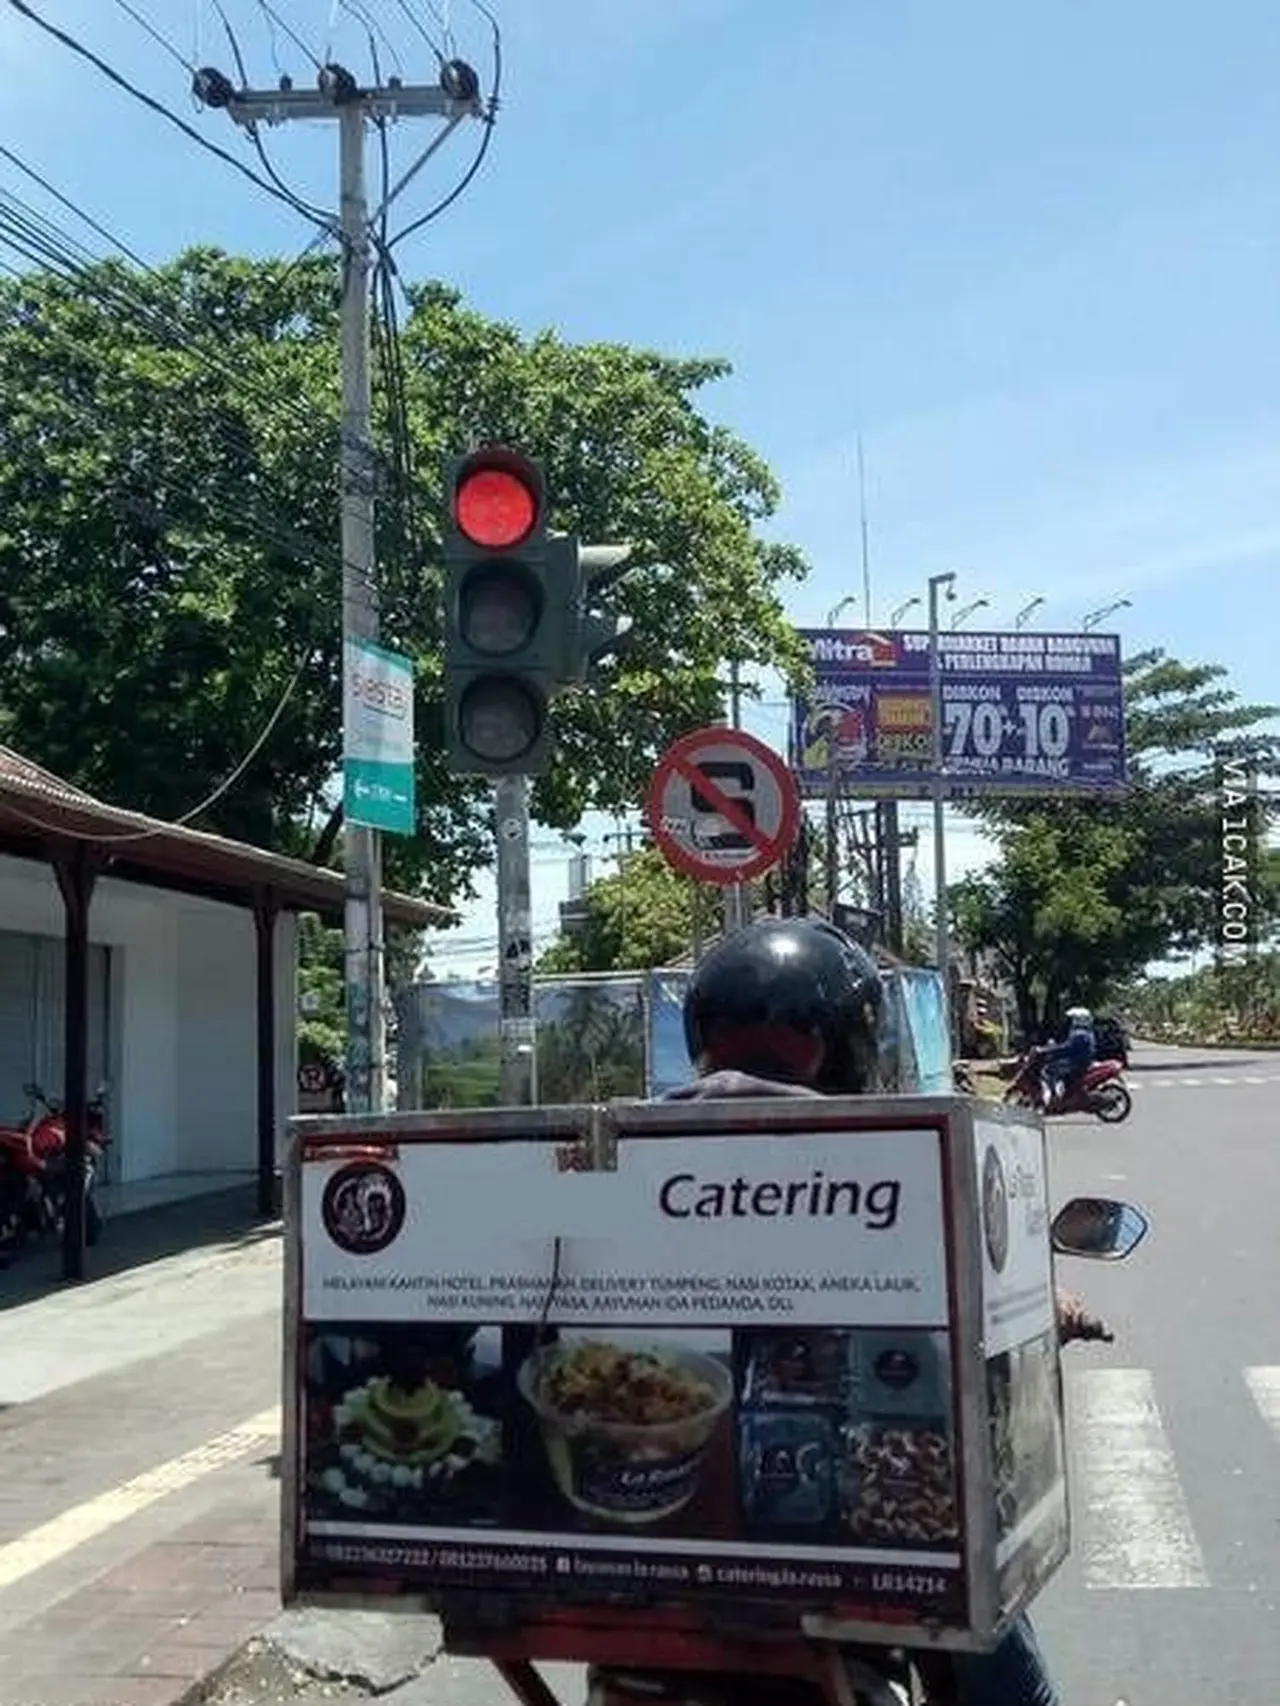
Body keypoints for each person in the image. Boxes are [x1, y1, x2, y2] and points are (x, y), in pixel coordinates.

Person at [665, 917, 1104, 1706]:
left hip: (653, 1539)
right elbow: (973, 1308)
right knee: (981, 1607)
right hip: (847, 1527)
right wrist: (1046, 1309)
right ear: (850, 1040)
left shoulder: (631, 1143)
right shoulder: (892, 1156)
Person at [1036, 1005, 1096, 1112]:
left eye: (1074, 1019)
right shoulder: (1085, 1032)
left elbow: (1067, 1048)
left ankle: (1055, 1098)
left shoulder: (1079, 1034)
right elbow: (1067, 1046)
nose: (1071, 1021)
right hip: (1081, 1061)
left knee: (1048, 1071)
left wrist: (1048, 1050)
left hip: (1076, 1062)